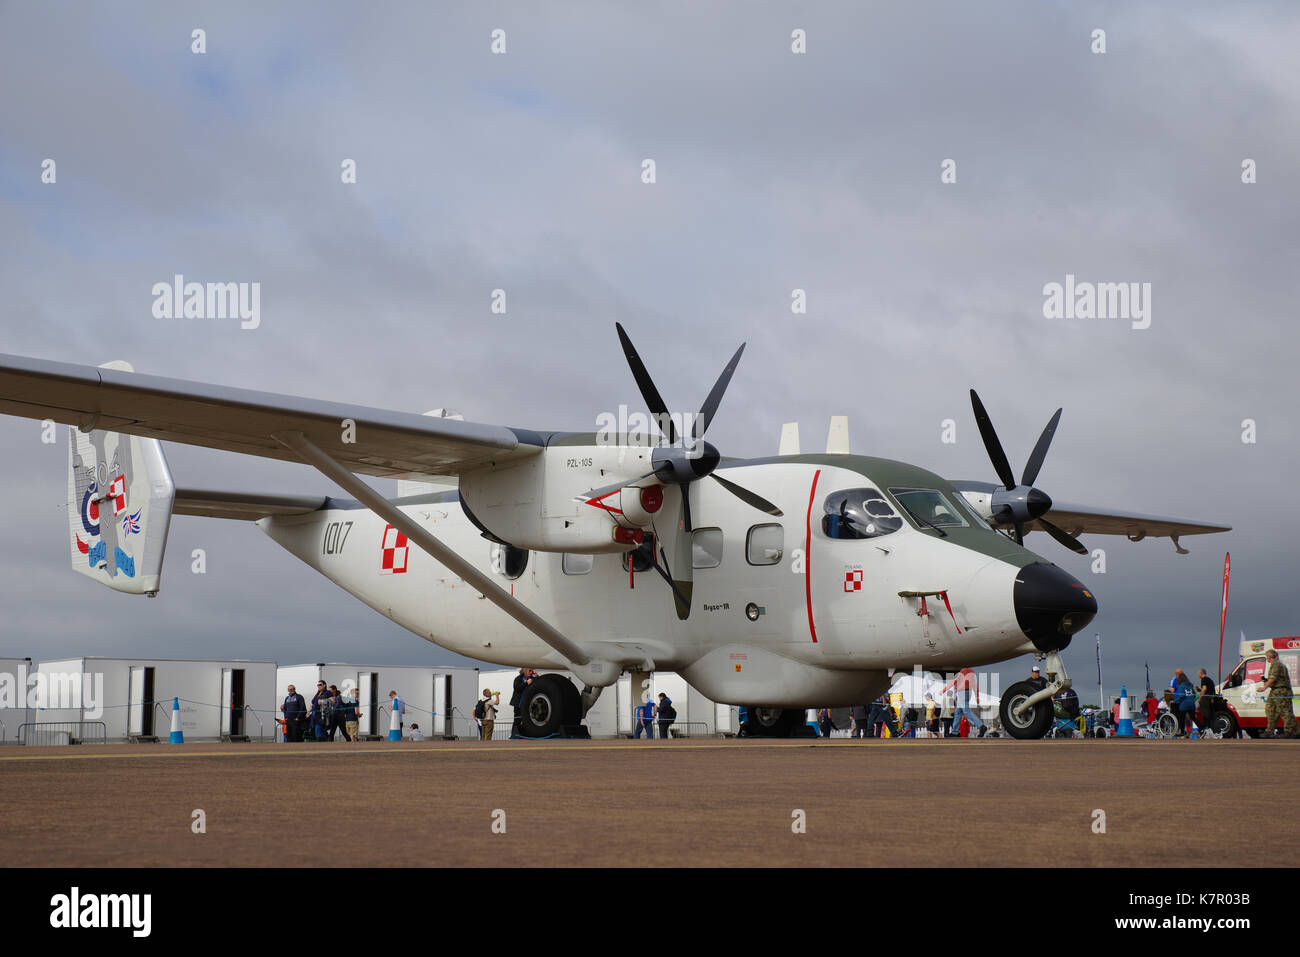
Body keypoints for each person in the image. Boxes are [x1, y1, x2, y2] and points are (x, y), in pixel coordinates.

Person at [1261, 649, 1299, 738]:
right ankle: (1270, 731)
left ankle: (1289, 731)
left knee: (1285, 712)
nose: (1267, 658)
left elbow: (1273, 678)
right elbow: (1275, 679)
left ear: (1270, 657)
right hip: (1275, 691)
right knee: (1271, 710)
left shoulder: (1277, 664)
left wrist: (1264, 687)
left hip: (1281, 691)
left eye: (1267, 656)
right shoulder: (1275, 665)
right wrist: (1267, 681)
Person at [943, 668, 984, 737]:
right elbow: (974, 684)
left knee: (966, 711)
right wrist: (977, 696)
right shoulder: (970, 673)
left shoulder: (962, 672)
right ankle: (955, 732)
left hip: (963, 692)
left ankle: (981, 726)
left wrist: (944, 690)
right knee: (958, 713)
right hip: (965, 692)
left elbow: (954, 683)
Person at [1172, 670, 1197, 735]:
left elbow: (1180, 694)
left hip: (1183, 704)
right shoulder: (1190, 684)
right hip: (1191, 704)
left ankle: (1182, 732)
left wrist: (1176, 701)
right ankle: (1201, 728)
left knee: (1181, 718)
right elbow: (1194, 694)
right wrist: (1191, 699)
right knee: (1193, 718)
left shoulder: (1179, 684)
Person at [509, 668, 532, 736]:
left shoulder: (532, 679)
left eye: (532, 671)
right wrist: (526, 683)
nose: (531, 672)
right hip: (518, 704)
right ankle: (513, 735)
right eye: (530, 670)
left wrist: (537, 676)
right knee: (517, 720)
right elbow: (517, 688)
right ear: (525, 671)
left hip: (527, 704)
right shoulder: (518, 679)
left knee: (526, 721)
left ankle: (524, 735)